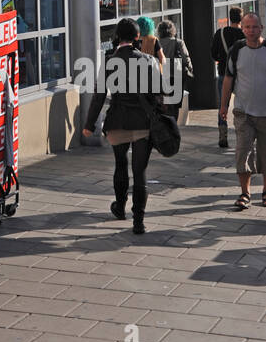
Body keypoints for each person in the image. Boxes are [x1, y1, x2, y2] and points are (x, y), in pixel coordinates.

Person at [83, 17, 163, 235]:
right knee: (140, 171)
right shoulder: (148, 61)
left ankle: (120, 207)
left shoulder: (110, 61)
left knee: (120, 164)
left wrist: (89, 124)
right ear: (138, 37)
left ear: (117, 37)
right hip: (142, 122)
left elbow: (99, 96)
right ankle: (139, 221)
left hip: (117, 121)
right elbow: (159, 94)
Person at [219, 11, 266, 211]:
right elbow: (228, 78)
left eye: (254, 26)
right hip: (242, 112)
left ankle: (265, 192)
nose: (250, 30)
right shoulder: (236, 49)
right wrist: (223, 105)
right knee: (242, 153)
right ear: (242, 28)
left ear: (261, 28)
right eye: (247, 27)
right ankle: (245, 193)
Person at [211, 7, 244, 149]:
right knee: (242, 105)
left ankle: (222, 136)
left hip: (224, 74)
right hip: (241, 76)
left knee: (222, 105)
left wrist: (222, 60)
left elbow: (213, 54)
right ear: (241, 19)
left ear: (230, 18)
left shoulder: (221, 33)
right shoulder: (244, 34)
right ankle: (242, 134)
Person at [156, 19, 193, 111]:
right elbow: (186, 58)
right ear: (173, 30)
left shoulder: (157, 43)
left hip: (162, 76)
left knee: (164, 102)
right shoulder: (178, 42)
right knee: (175, 105)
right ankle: (174, 121)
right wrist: (190, 69)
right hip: (177, 76)